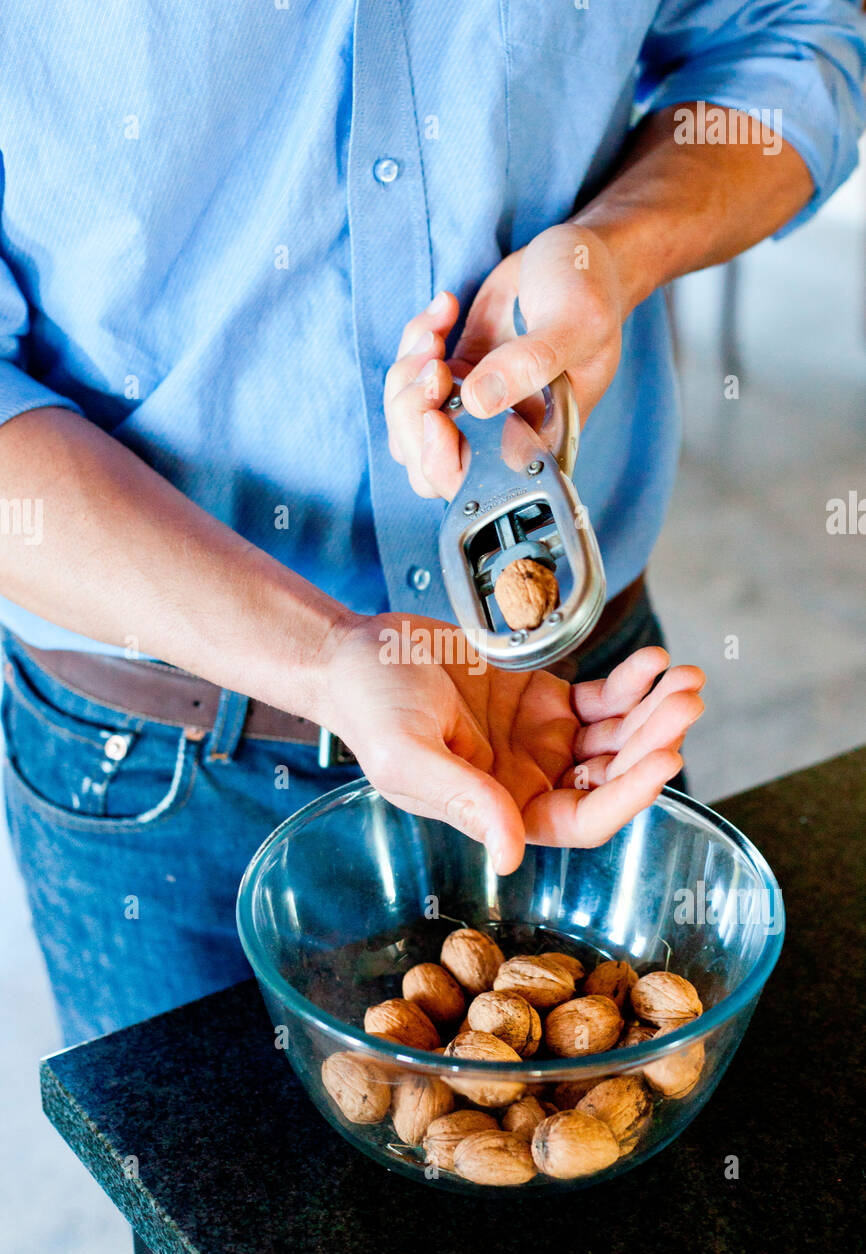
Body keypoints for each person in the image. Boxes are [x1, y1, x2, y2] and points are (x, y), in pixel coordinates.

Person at [0, 3, 862, 1047]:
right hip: (166, 758)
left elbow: (791, 37)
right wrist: (324, 657)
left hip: (564, 706)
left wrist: (614, 249)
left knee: (639, 1188)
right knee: (220, 1205)